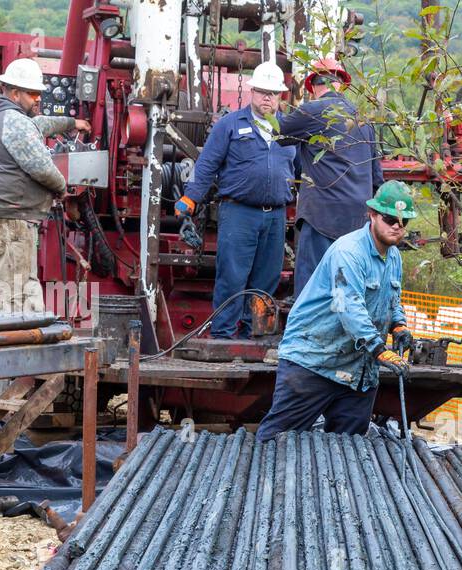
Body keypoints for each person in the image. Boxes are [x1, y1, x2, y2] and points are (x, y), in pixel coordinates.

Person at [256, 181, 419, 439]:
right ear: (373, 215)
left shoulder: (394, 257)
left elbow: (393, 298)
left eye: (403, 221)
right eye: (390, 218)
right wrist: (379, 350)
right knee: (278, 441)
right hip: (314, 361)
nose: (397, 226)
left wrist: (399, 325)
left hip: (358, 372)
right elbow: (348, 307)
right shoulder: (349, 252)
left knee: (348, 450)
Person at [0, 57, 89, 411]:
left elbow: (38, 124)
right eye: (33, 93)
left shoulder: (3, 116)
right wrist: (64, 187)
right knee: (12, 301)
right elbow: (41, 165)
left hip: (8, 216)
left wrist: (73, 122)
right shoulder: (12, 121)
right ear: (16, 92)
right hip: (12, 220)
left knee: (15, 294)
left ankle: (6, 389)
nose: (38, 98)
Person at [175, 61, 296, 338]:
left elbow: (300, 169)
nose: (268, 97)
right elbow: (206, 165)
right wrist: (190, 198)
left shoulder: (289, 130)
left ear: (281, 97)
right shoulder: (229, 125)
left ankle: (255, 337)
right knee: (233, 277)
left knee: (267, 279)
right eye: (263, 91)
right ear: (251, 91)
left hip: (275, 216)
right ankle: (223, 336)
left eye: (273, 93)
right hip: (239, 213)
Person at [274, 57, 384, 297]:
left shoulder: (312, 111)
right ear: (341, 84)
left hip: (321, 216)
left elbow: (274, 132)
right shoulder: (363, 119)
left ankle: (308, 333)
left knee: (314, 286)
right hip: (358, 219)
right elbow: (376, 177)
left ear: (313, 86)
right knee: (348, 287)